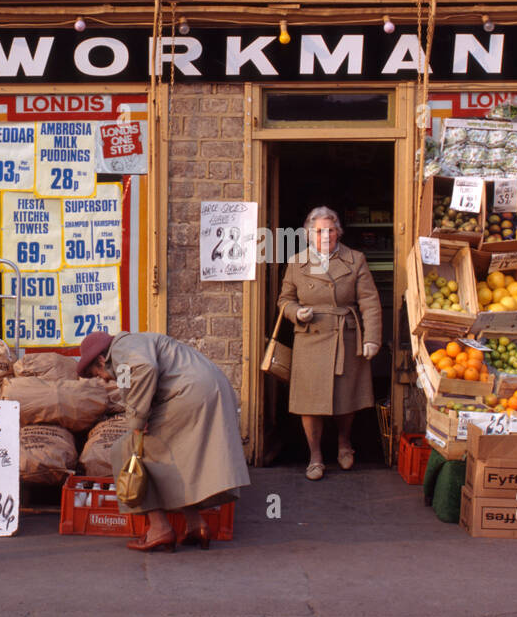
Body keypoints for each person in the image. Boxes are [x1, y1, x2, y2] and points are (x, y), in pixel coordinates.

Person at [76, 330, 250, 552]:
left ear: (101, 359)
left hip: (190, 393)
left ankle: (159, 528)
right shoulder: (134, 345)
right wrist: (142, 412)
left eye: (99, 374)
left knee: (126, 450)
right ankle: (196, 525)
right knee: (175, 456)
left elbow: (145, 368)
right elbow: (144, 377)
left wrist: (137, 422)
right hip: (210, 388)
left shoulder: (120, 348)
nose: (105, 379)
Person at [277, 206, 382, 481]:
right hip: (310, 337)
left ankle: (345, 443)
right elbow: (284, 299)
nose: (326, 236)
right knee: (309, 402)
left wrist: (372, 338)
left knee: (345, 397)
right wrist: (295, 312)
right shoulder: (296, 262)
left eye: (331, 230)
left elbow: (369, 302)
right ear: (309, 234)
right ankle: (315, 457)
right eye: (319, 231)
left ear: (339, 232)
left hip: (344, 335)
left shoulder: (355, 259)